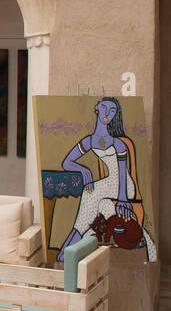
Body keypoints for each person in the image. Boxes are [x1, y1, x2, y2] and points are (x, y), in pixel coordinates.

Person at [57, 96, 155, 262]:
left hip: (124, 185)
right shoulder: (89, 141)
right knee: (91, 194)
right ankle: (70, 248)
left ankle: (68, 248)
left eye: (112, 111)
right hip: (109, 183)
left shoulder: (118, 144)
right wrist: (84, 170)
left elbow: (123, 173)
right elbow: (67, 162)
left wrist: (123, 198)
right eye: (103, 108)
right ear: (96, 109)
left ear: (114, 115)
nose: (107, 113)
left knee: (90, 192)